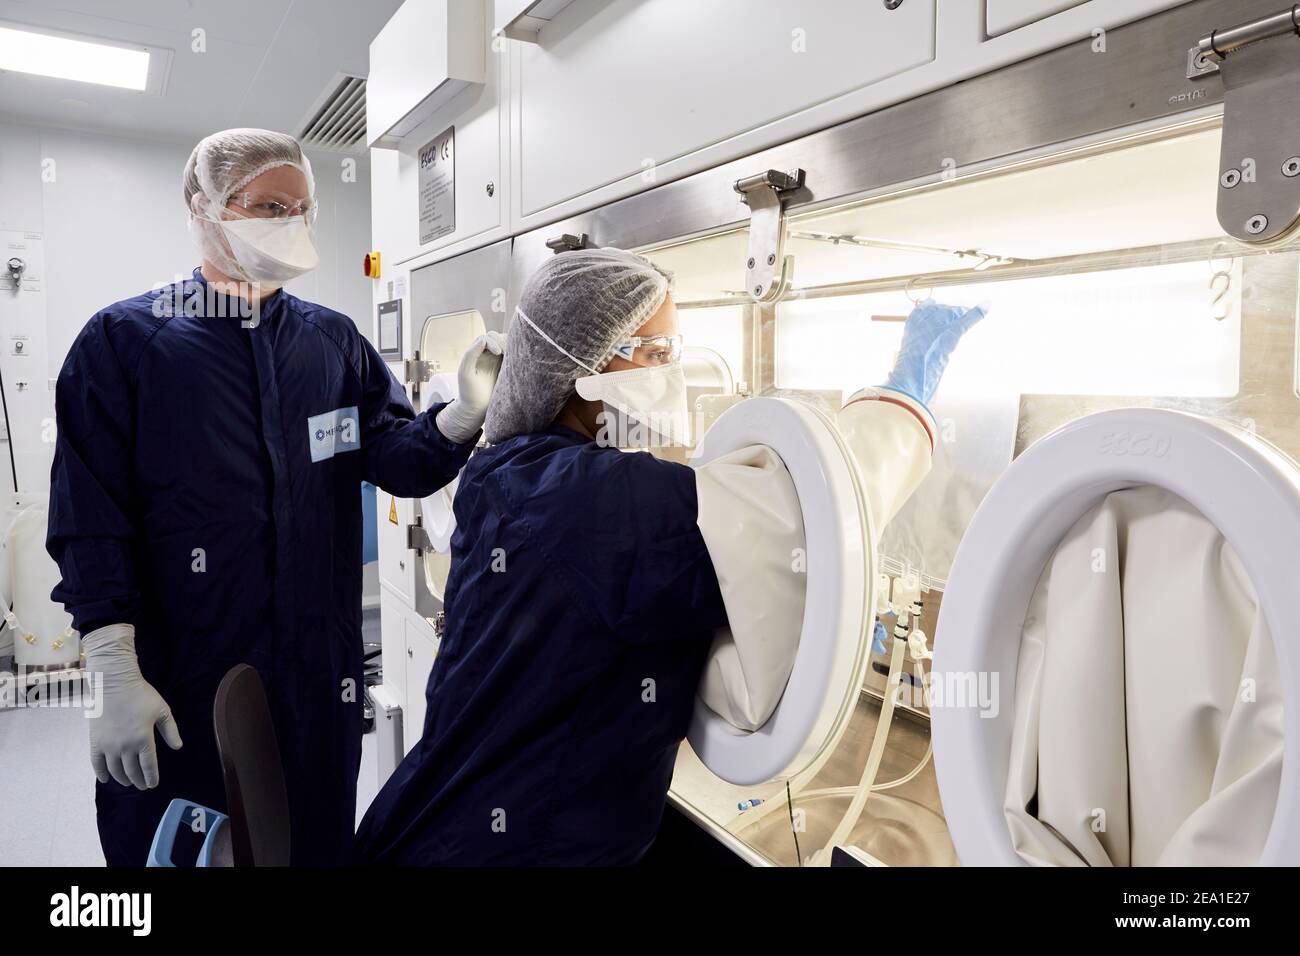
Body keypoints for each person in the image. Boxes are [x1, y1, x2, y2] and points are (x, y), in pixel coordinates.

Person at [353, 248, 983, 865]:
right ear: (581, 367)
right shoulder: (580, 498)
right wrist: (903, 398)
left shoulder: (513, 468)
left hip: (456, 816)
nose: (672, 376)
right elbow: (800, 515)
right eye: (655, 355)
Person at [46, 128, 504, 866]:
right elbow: (90, 517)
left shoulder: (332, 344)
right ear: (202, 209)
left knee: (312, 842)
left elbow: (396, 461)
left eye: (303, 208)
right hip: (182, 680)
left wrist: (459, 418)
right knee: (181, 850)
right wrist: (112, 666)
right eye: (268, 207)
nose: (291, 223)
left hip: (317, 679)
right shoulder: (125, 344)